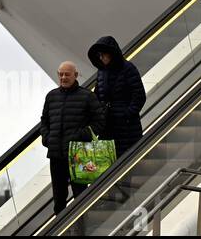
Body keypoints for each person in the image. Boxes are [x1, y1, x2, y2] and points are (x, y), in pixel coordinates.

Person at [40, 61, 105, 214]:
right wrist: (46, 138)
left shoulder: (87, 96)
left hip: (79, 155)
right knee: (59, 200)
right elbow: (44, 120)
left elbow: (100, 122)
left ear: (75, 75)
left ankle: (82, 231)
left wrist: (80, 136)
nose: (63, 77)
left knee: (81, 198)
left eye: (67, 74)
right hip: (56, 155)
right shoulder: (51, 96)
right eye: (60, 74)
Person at [88, 36, 146, 156]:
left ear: (111, 53)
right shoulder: (101, 72)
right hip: (108, 127)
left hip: (128, 129)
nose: (101, 58)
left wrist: (127, 115)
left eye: (103, 54)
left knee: (128, 162)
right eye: (99, 55)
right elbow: (98, 96)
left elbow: (139, 95)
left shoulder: (128, 68)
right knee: (110, 164)